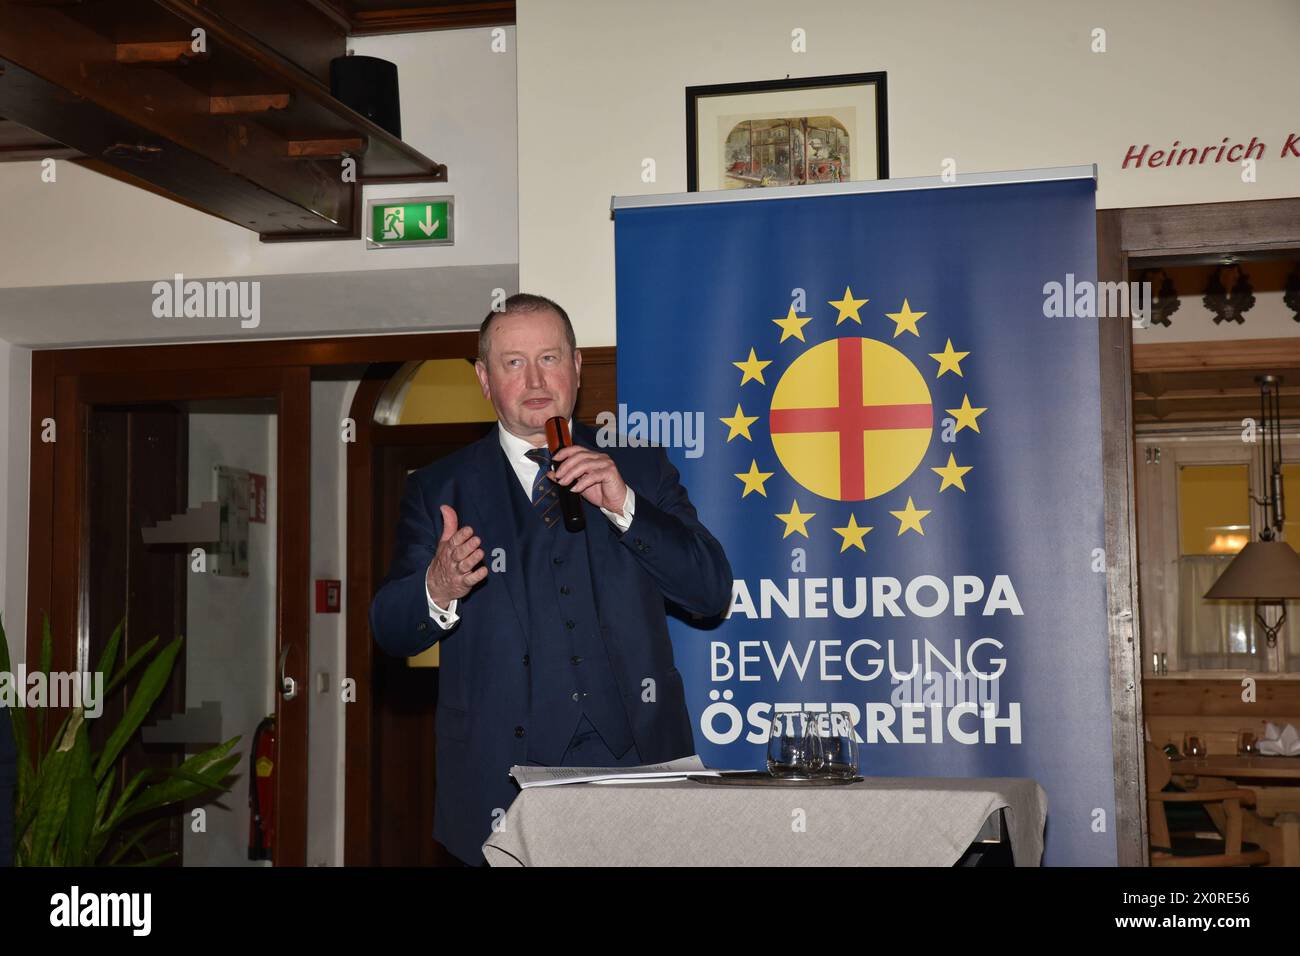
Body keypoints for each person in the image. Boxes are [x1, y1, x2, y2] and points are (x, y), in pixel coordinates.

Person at [368, 293, 733, 866]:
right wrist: (436, 589)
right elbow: (390, 628)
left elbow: (711, 592)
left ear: (578, 367)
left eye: (550, 358)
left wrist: (626, 508)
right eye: (513, 363)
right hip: (500, 781)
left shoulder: (637, 466)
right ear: (485, 380)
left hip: (637, 765)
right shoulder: (439, 488)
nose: (535, 379)